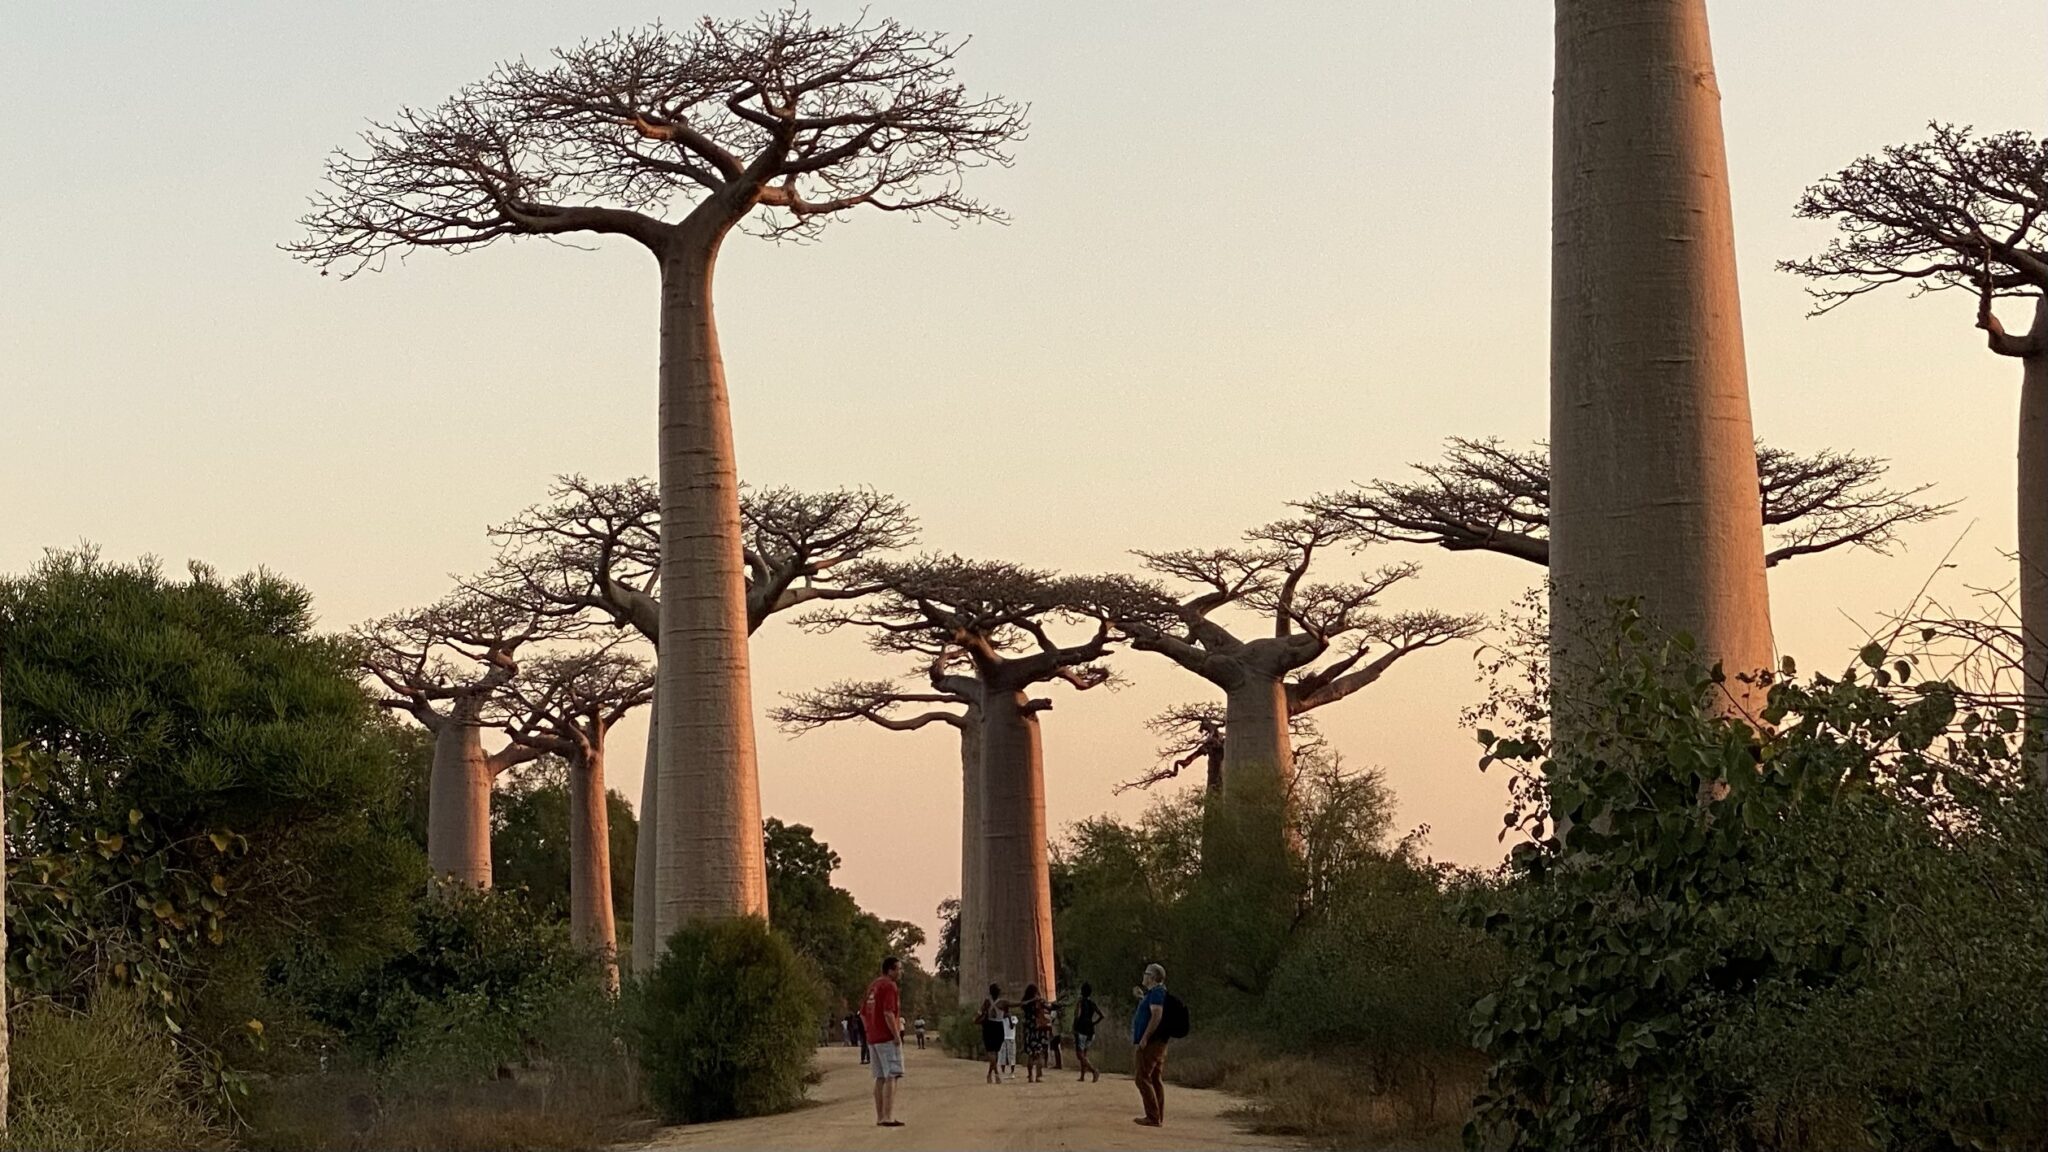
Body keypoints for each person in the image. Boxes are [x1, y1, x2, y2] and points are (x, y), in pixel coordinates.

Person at [861, 956, 906, 1128]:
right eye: (899, 969)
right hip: (886, 1038)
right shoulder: (889, 986)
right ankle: (888, 1116)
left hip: (873, 1038)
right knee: (892, 1075)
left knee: (879, 1077)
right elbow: (888, 1012)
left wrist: (868, 1031)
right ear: (890, 970)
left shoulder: (873, 986)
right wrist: (896, 1035)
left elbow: (863, 1013)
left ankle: (880, 1116)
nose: (900, 973)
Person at [1130, 963, 1169, 1127]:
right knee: (1154, 1077)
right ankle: (1157, 1115)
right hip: (1157, 1042)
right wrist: (1141, 997)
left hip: (1152, 1043)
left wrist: (1145, 1037)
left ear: (1152, 977)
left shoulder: (1157, 993)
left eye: (1146, 973)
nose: (1143, 976)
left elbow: (1156, 1015)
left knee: (1142, 1078)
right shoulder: (1154, 993)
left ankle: (1152, 1116)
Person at [1018, 984, 1052, 1083]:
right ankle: (1038, 1075)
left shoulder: (1026, 1004)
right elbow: (1049, 1008)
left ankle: (1030, 1076)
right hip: (1038, 1031)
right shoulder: (1038, 1002)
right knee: (1038, 1053)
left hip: (1028, 1031)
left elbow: (1021, 1005)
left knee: (1031, 1054)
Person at [976, 984, 1007, 1084]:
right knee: (995, 1052)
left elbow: (980, 1012)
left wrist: (977, 1018)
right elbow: (1018, 1004)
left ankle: (991, 1073)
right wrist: (1031, 1000)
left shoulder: (987, 1002)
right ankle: (996, 1074)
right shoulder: (1002, 1002)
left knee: (991, 1052)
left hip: (989, 1027)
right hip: (998, 1027)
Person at [1073, 982, 1103, 1083]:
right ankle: (1082, 1076)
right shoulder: (1092, 1003)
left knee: (1080, 1054)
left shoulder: (1080, 1002)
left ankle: (1093, 1070)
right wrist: (1093, 1023)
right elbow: (1101, 1015)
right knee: (1084, 1054)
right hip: (1090, 1030)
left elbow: (1077, 1015)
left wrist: (1074, 1027)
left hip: (1081, 1029)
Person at [1000, 1010, 1018, 1078]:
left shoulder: (1014, 1018)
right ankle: (1003, 1072)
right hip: (1003, 1038)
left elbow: (1011, 1026)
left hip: (1011, 1038)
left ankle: (1012, 1072)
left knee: (1012, 1055)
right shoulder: (1001, 1018)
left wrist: (1009, 1017)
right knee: (1003, 1056)